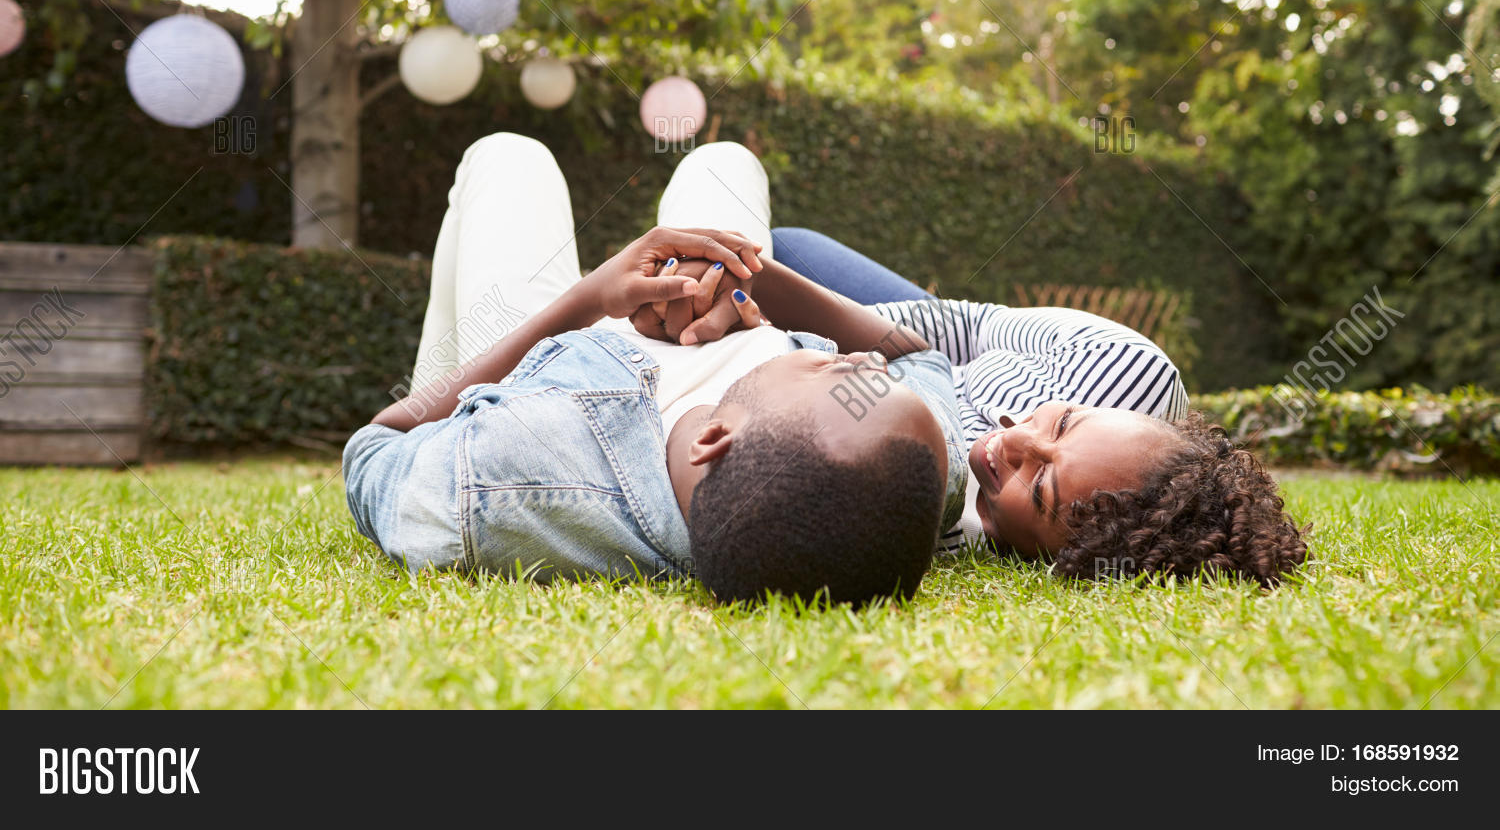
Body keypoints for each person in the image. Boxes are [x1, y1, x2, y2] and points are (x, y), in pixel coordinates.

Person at [342, 134, 969, 605]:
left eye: (835, 375)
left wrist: (588, 299)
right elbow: (914, 355)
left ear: (712, 441)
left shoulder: (503, 478)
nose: (860, 361)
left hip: (531, 346)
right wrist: (749, 274)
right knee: (722, 160)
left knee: (508, 156)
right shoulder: (914, 472)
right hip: (735, 303)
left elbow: (375, 447)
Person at [631, 212, 1309, 586]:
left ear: (1062, 556)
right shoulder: (1123, 366)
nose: (1011, 442)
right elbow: (961, 327)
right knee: (785, 244)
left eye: (1038, 484)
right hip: (912, 338)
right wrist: (752, 290)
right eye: (1061, 423)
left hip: (817, 380)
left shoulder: (939, 518)